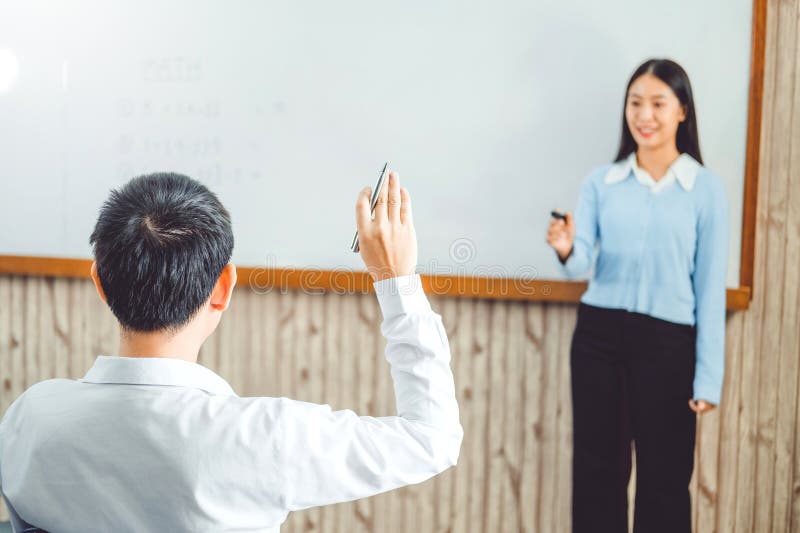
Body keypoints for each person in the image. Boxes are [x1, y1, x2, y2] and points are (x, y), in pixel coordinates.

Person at [0, 172, 462, 531]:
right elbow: (432, 438)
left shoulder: (30, 418)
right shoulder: (263, 439)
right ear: (223, 288)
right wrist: (394, 279)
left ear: (99, 282)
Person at [546, 59, 728, 533]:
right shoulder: (600, 184)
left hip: (669, 345)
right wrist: (567, 248)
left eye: (657, 104)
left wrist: (708, 378)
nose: (644, 115)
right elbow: (583, 259)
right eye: (635, 103)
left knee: (665, 481)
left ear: (682, 111)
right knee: (597, 474)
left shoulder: (705, 190)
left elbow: (709, 288)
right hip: (599, 338)